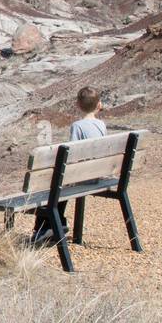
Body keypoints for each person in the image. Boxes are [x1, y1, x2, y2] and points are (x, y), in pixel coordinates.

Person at [33, 87, 108, 246]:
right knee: (61, 184)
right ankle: (58, 223)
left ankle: (45, 227)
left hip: (83, 177)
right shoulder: (101, 125)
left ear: (78, 105)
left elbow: (73, 153)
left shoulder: (77, 126)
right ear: (99, 105)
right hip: (98, 173)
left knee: (55, 185)